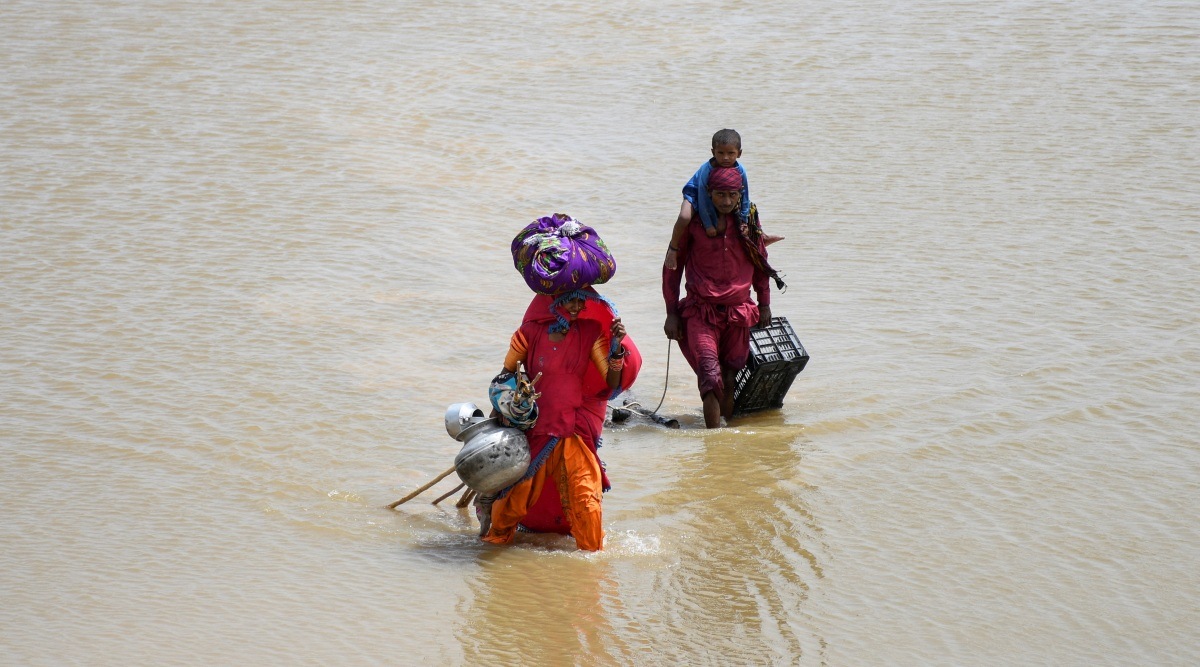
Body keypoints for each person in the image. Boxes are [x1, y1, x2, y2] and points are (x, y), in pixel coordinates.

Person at [479, 287, 639, 551]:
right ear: (554, 302)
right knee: (510, 506)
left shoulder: (590, 333)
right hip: (535, 434)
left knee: (587, 502)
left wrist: (616, 348)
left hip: (571, 434)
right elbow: (503, 378)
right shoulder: (528, 334)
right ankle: (490, 555)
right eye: (570, 301)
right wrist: (495, 422)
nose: (577, 307)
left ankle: (591, 567)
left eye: (580, 301)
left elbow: (610, 385)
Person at [663, 166, 783, 428]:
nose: (726, 201)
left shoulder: (748, 223)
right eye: (720, 195)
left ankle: (725, 440)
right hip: (700, 311)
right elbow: (672, 269)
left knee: (729, 377)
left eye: (732, 195)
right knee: (709, 375)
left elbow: (760, 263)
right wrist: (671, 313)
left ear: (740, 194)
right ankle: (713, 445)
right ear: (709, 193)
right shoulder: (694, 224)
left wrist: (764, 304)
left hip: (738, 311)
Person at [664, 128, 782, 270]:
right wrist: (708, 224)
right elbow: (702, 197)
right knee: (684, 217)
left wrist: (744, 221)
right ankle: (673, 248)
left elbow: (745, 194)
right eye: (721, 153)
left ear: (739, 153)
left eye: (730, 153)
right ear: (713, 152)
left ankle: (761, 237)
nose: (725, 158)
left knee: (751, 209)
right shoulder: (707, 169)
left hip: (725, 193)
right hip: (697, 193)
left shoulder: (741, 170)